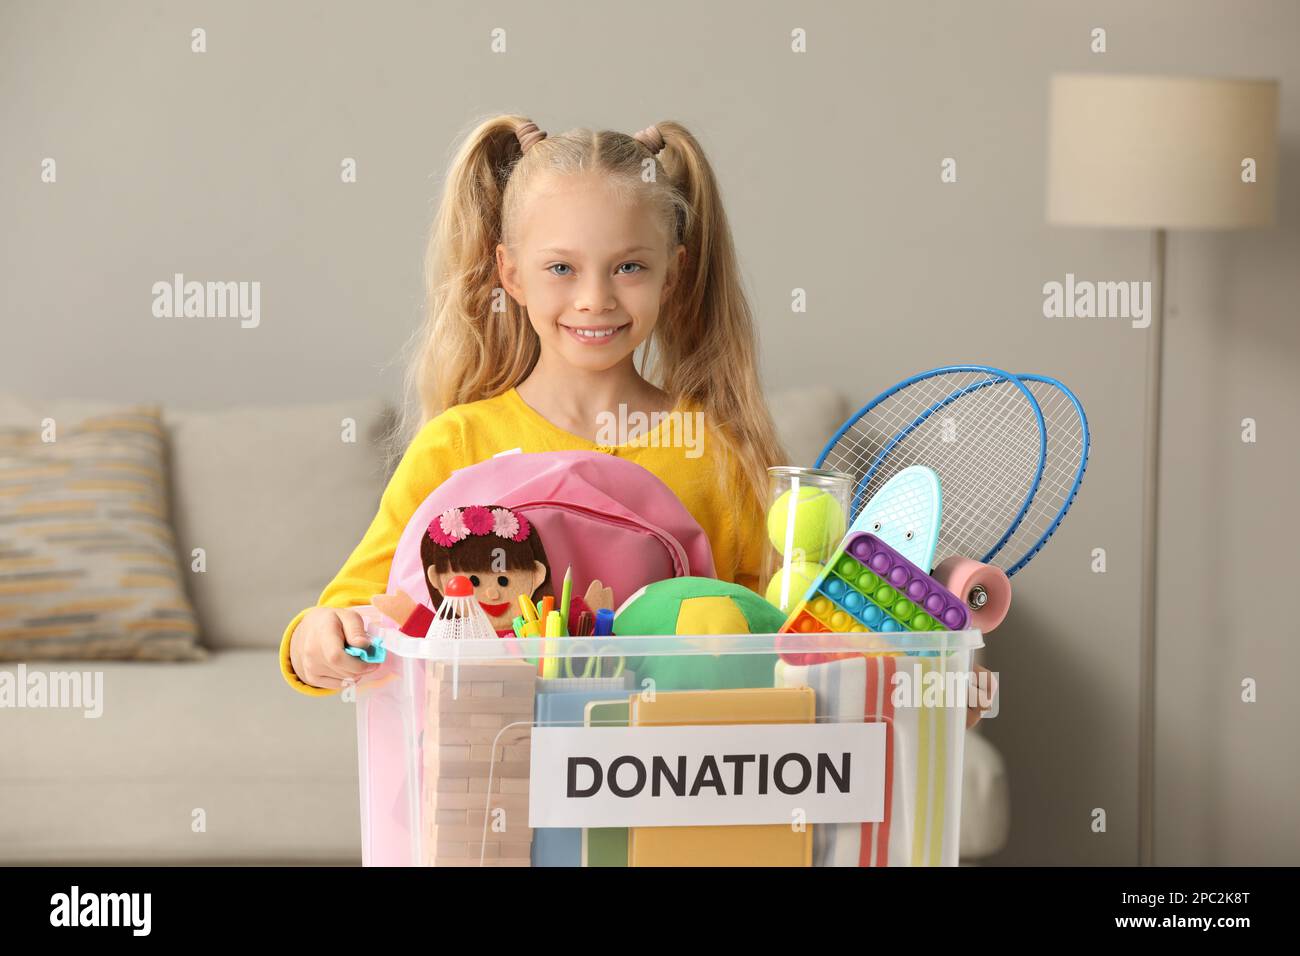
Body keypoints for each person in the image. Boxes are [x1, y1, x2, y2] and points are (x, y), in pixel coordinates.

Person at [282, 116, 786, 696]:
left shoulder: (719, 451)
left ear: (672, 275)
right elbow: (358, 606)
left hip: (669, 775)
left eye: (629, 267)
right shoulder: (458, 444)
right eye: (561, 268)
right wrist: (316, 640)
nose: (594, 299)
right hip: (499, 771)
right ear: (511, 274)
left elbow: (775, 635)